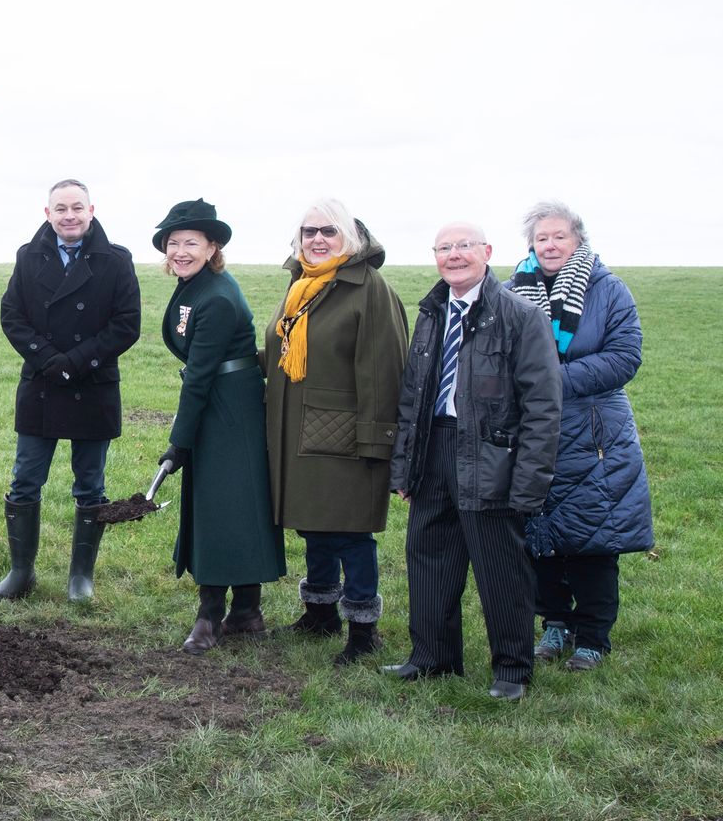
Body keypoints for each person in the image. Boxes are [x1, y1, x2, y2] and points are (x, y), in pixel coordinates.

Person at [382, 221, 561, 701]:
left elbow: (544, 408)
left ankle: (512, 669)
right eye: (444, 247)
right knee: (428, 557)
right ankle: (432, 658)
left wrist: (528, 485)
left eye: (464, 246)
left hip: (490, 453)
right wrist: (404, 467)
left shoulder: (521, 317)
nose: (454, 255)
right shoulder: (431, 312)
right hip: (434, 448)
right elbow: (412, 395)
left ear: (487, 252)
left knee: (500, 566)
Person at [508, 201, 653, 672]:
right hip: (532, 430)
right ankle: (554, 622)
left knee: (595, 536)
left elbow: (624, 357)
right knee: (540, 531)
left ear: (578, 240)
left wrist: (548, 379)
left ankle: (593, 635)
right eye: (541, 238)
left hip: (594, 435)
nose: (549, 245)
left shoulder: (607, 290)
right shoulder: (512, 290)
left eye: (559, 237)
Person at [263, 199, 409, 665]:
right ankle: (319, 612)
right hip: (297, 430)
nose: (318, 239)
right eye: (309, 231)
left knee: (350, 531)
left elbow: (384, 370)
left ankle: (363, 630)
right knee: (314, 524)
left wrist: (376, 440)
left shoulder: (368, 288)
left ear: (349, 237)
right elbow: (280, 354)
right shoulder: (301, 285)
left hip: (346, 433)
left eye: (328, 231)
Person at [0, 179, 141, 603]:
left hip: (93, 386)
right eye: (61, 209)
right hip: (42, 384)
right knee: (24, 481)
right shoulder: (28, 256)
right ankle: (21, 573)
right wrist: (47, 359)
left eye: (77, 207)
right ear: (47, 213)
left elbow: (126, 324)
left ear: (92, 210)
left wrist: (74, 362)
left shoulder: (116, 260)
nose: (69, 216)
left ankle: (80, 579)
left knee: (91, 485)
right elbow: (11, 314)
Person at [152, 199, 285, 653]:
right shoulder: (197, 286)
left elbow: (201, 376)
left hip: (230, 408)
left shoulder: (217, 296)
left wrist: (179, 443)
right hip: (220, 400)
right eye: (174, 243)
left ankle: (212, 616)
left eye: (191, 242)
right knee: (230, 502)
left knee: (224, 505)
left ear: (212, 247)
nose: (181, 251)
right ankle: (246, 611)